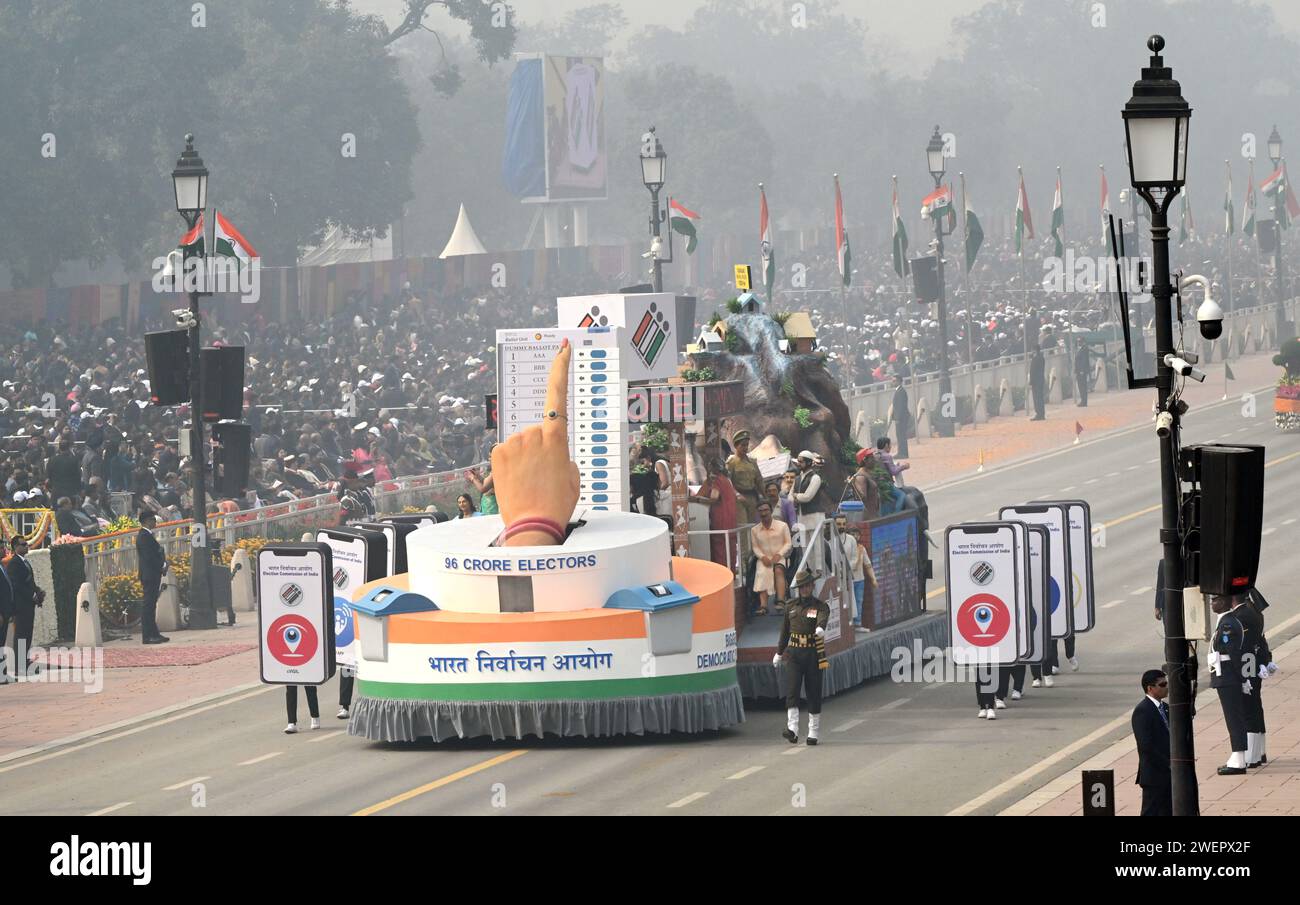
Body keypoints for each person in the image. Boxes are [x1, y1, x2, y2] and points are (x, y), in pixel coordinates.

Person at [773, 569, 829, 745]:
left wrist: (820, 628)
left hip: (813, 652)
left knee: (813, 691)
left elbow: (822, 618)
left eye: (807, 585)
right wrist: (779, 652)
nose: (804, 589)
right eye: (802, 586)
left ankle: (813, 731)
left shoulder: (820, 606)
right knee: (792, 691)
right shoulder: (791, 606)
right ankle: (793, 729)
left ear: (813, 585)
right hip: (794, 653)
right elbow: (784, 631)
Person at [1208, 594, 1250, 775]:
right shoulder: (1226, 621)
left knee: (1234, 719)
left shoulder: (1227, 624)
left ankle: (1239, 760)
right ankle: (1237, 757)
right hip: (1227, 677)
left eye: (1215, 600)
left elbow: (1233, 655)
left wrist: (1242, 678)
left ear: (1225, 602)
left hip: (1228, 677)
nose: (1212, 603)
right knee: (1234, 718)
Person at [1237, 589, 1272, 768]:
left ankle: (1251, 757)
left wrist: (1245, 677)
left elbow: (1245, 649)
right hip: (1253, 665)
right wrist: (1265, 661)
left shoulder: (1242, 615)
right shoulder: (1253, 610)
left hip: (1247, 667)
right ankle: (1259, 752)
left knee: (1248, 709)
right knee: (1255, 707)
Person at [1131, 669, 1172, 816]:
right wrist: (1167, 762)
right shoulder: (1143, 711)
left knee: (1168, 810)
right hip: (1154, 773)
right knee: (1151, 811)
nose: (1167, 687)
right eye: (1162, 684)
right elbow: (1145, 746)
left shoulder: (1167, 708)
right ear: (1150, 688)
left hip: (1169, 771)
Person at [690, 458, 739, 572]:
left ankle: (721, 574)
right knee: (730, 549)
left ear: (713, 468)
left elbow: (713, 499)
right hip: (730, 519)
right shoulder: (727, 480)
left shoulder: (718, 481)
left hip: (721, 519)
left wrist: (697, 500)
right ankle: (730, 573)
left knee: (720, 549)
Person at [5, 537, 44, 676]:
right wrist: (31, 595)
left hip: (29, 605)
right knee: (21, 634)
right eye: (23, 544)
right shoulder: (14, 563)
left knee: (27, 634)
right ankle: (19, 666)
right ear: (16, 547)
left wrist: (37, 591)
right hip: (21, 606)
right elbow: (16, 585)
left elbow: (29, 582)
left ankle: (24, 661)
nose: (26, 546)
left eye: (27, 544)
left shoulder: (25, 562)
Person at [750, 500, 792, 616]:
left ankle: (780, 600)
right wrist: (762, 557)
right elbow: (755, 547)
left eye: (766, 510)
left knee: (778, 570)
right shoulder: (754, 530)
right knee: (762, 572)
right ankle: (763, 605)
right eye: (761, 511)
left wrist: (779, 554)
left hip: (780, 557)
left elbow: (788, 543)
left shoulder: (782, 526)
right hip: (764, 559)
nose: (763, 513)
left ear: (771, 511)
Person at [136, 511, 170, 644]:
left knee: (151, 606)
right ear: (146, 521)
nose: (155, 523)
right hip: (149, 574)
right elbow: (149, 557)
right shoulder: (144, 536)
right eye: (153, 520)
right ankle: (147, 635)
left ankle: (154, 633)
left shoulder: (148, 535)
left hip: (153, 574)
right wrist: (161, 565)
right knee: (148, 606)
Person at [790, 451, 824, 573]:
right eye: (798, 461)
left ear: (809, 463)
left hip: (815, 516)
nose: (798, 464)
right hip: (802, 518)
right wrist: (797, 496)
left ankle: (819, 570)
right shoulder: (798, 478)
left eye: (801, 461)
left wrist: (796, 496)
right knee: (805, 547)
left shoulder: (815, 478)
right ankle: (809, 571)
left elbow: (808, 496)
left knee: (818, 547)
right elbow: (789, 497)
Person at [726, 430, 763, 526]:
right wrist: (737, 494)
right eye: (742, 445)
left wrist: (765, 496)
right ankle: (744, 542)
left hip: (752, 497)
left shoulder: (752, 462)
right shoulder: (731, 462)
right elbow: (728, 482)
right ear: (736, 446)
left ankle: (752, 542)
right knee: (743, 525)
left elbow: (759, 481)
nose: (745, 448)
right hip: (739, 499)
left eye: (746, 445)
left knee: (753, 525)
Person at [842, 523, 875, 628]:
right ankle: (849, 624)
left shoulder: (861, 549)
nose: (855, 537)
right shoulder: (845, 548)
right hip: (848, 580)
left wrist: (873, 578)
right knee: (849, 603)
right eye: (852, 534)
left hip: (860, 580)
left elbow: (868, 565)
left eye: (857, 534)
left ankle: (858, 623)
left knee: (859, 600)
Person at [848, 447, 881, 520]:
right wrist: (854, 485)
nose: (874, 460)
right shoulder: (860, 477)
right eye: (871, 458)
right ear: (865, 460)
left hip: (874, 516)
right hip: (868, 519)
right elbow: (862, 499)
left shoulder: (867, 473)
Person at [0, 549, 14, 683]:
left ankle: (3, 674)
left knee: (2, 643)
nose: (3, 551)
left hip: (6, 611)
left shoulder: (2, 567)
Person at [890, 376, 911, 457]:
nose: (893, 382)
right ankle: (902, 452)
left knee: (901, 436)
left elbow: (901, 406)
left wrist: (898, 418)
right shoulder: (898, 391)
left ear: (899, 381)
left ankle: (902, 453)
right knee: (900, 436)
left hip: (901, 418)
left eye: (894, 381)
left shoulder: (901, 391)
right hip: (900, 417)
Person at [1028, 343, 1046, 420]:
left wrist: (1031, 381)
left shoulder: (1036, 358)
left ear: (1034, 350)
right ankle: (1041, 413)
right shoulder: (1041, 357)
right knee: (1040, 397)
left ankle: (1039, 414)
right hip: (1040, 380)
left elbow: (1033, 371)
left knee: (1037, 398)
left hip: (1036, 381)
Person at [1074, 341, 1091, 408]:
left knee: (1082, 386)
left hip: (1081, 371)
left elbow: (1084, 361)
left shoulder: (1084, 349)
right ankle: (1083, 401)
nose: (1078, 342)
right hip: (1079, 371)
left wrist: (1082, 370)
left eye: (1079, 341)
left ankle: (1084, 401)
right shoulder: (1081, 349)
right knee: (1081, 386)